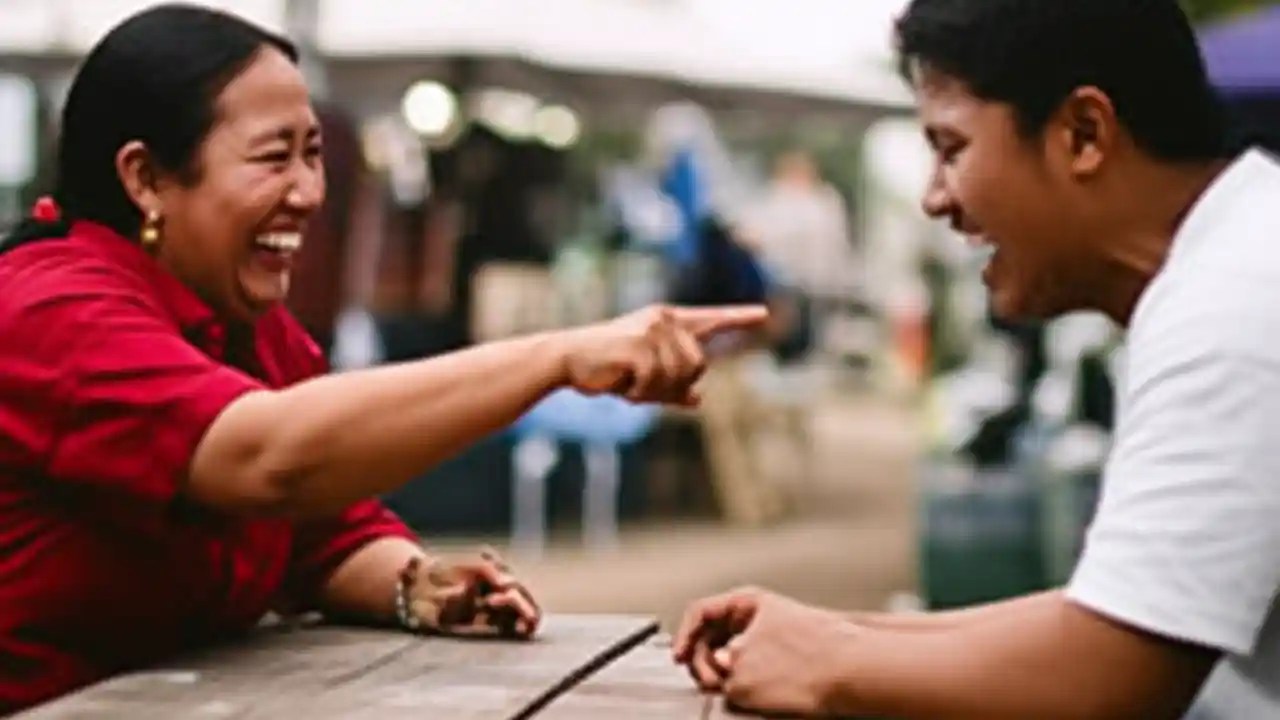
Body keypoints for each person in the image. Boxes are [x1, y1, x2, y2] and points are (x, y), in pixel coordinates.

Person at [0, 5, 767, 714]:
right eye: (273, 158)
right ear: (145, 179)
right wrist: (555, 357)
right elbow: (269, 460)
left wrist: (416, 583)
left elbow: (319, 529)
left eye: (313, 154)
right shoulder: (49, 309)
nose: (309, 191)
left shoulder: (245, 323)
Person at [673, 1, 1280, 718]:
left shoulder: (1234, 301)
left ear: (1083, 134)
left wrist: (827, 665)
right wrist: (836, 635)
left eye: (952, 149)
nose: (934, 199)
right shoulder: (1233, 257)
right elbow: (1120, 613)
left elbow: (1108, 676)